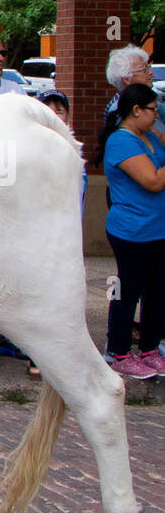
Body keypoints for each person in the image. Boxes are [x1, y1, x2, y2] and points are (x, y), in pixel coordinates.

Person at [97, 83, 165, 379]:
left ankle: (149, 348)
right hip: (132, 232)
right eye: (153, 110)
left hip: (158, 229)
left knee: (159, 292)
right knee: (127, 292)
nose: (157, 116)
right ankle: (119, 352)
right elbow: (152, 180)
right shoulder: (121, 142)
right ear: (136, 110)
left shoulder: (149, 136)